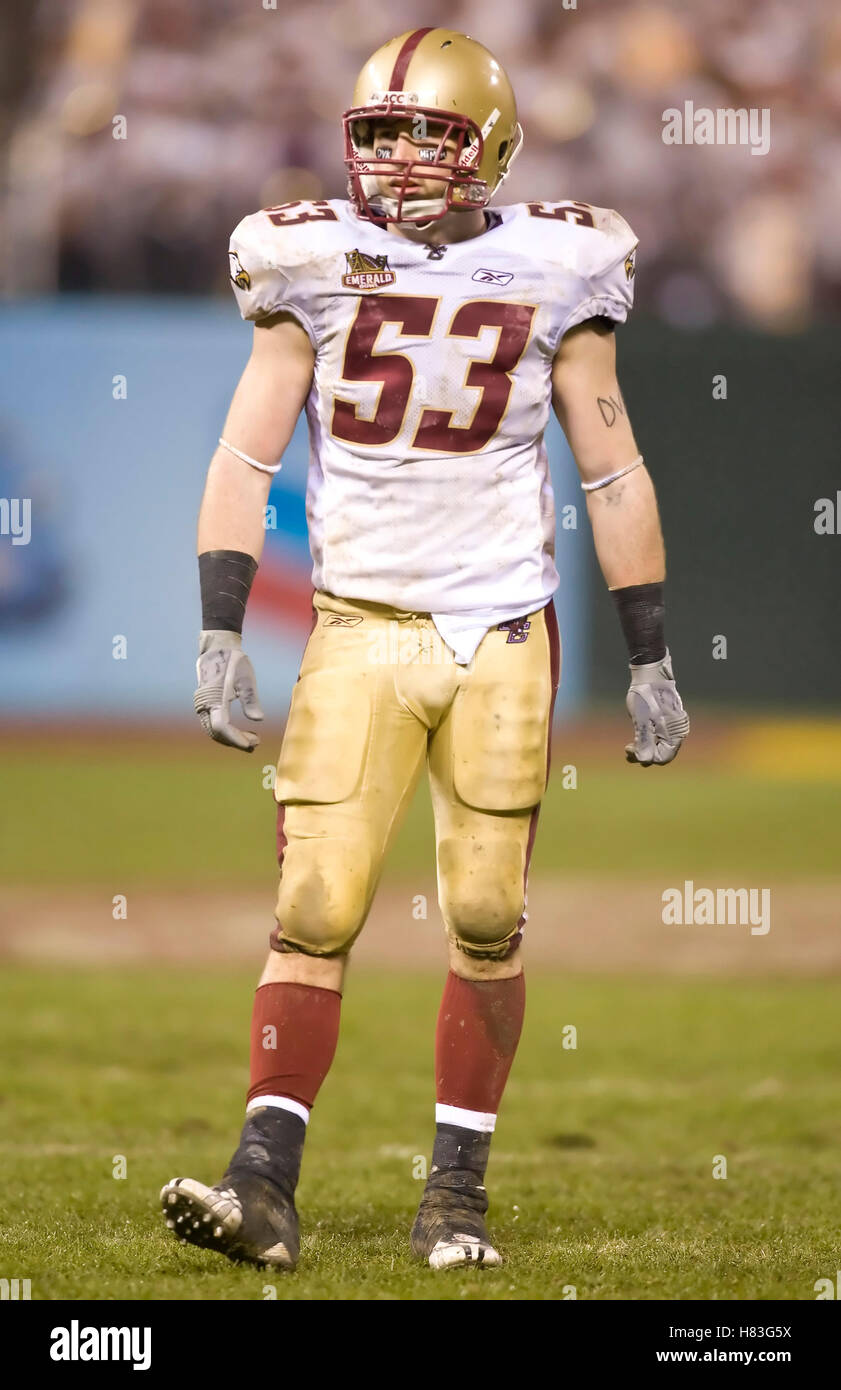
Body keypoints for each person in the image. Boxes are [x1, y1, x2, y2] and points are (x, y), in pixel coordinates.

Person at [161, 26, 689, 1273]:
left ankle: (455, 1195)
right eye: (379, 133)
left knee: (485, 910)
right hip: (359, 621)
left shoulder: (561, 260)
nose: (396, 160)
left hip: (503, 623)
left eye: (426, 136)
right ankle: (262, 1184)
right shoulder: (305, 257)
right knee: (314, 901)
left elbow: (611, 468)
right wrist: (218, 626)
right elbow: (245, 455)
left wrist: (650, 649)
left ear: (489, 148)